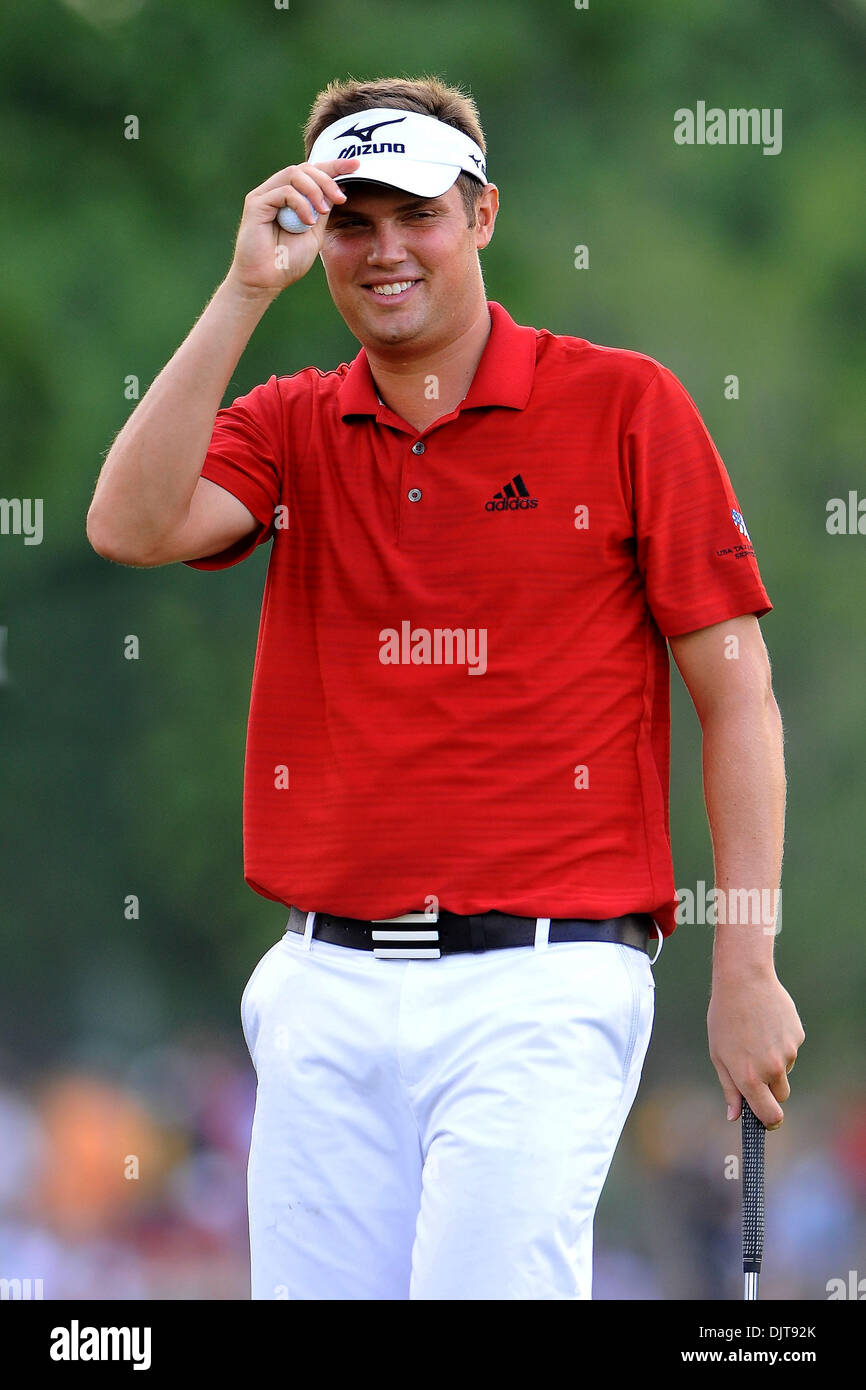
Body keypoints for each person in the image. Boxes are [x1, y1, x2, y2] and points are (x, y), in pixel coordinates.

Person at [86, 75, 805, 1301]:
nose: (382, 251)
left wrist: (746, 963)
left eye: (413, 214)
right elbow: (128, 523)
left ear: (479, 215)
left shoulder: (624, 405)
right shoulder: (291, 422)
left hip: (545, 977)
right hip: (325, 983)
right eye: (349, 223)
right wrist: (243, 289)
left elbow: (735, 694)